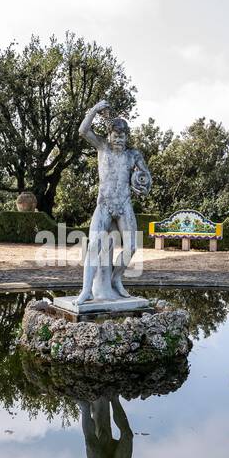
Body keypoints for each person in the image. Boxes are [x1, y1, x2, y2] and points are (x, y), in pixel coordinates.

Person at [74, 99, 152, 304]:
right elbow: (83, 131)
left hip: (124, 204)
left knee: (132, 248)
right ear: (109, 135)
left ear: (127, 137)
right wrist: (94, 109)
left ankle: (116, 278)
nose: (119, 140)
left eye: (122, 136)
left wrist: (141, 183)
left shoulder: (133, 154)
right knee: (93, 246)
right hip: (105, 204)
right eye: (116, 136)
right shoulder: (102, 147)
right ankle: (86, 291)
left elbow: (145, 177)